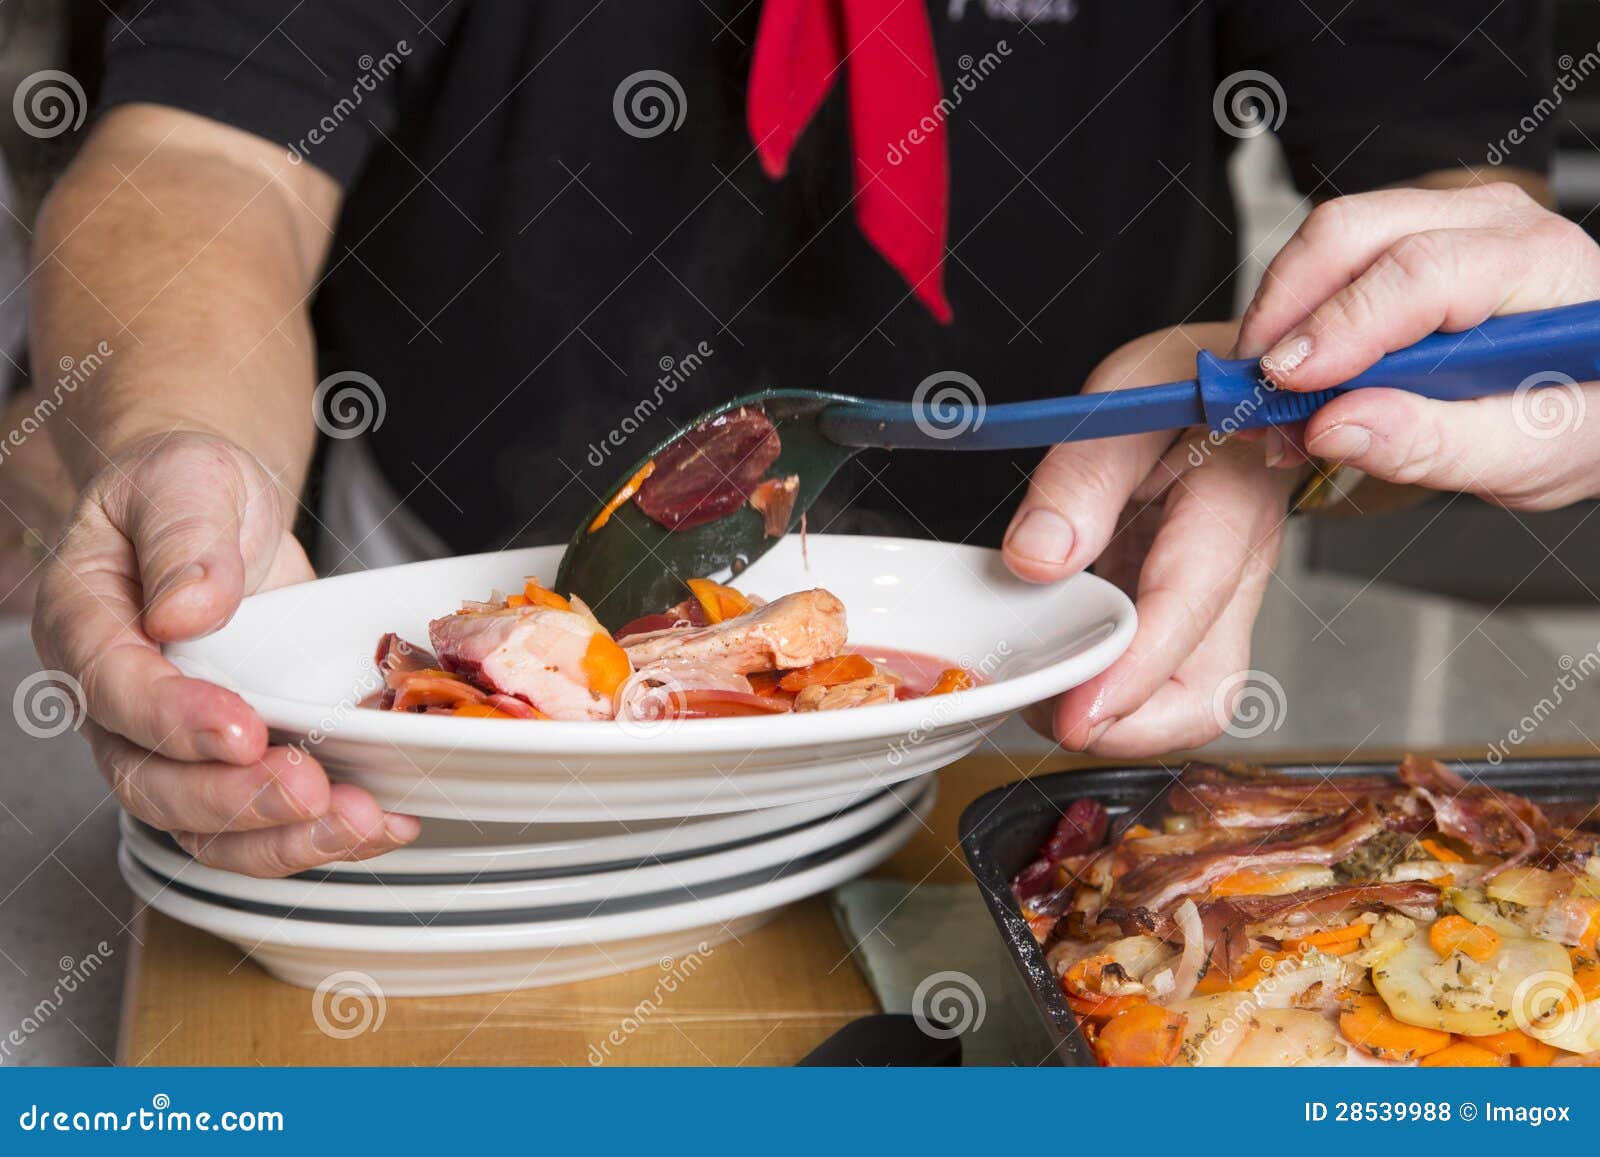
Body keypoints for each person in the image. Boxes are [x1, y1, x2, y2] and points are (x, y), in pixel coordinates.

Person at [22, 1, 1577, 876]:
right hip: (426, 693)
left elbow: (1445, 170)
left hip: (1040, 676)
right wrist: (173, 432)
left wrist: (1348, 381)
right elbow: (203, 152)